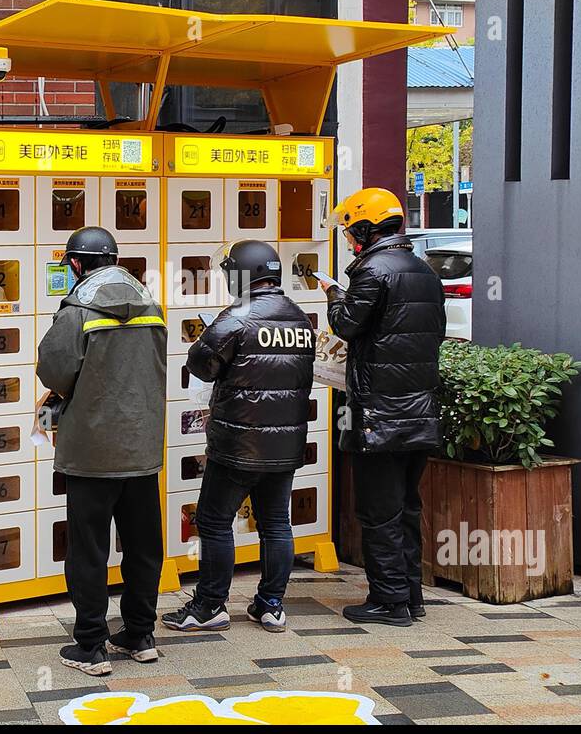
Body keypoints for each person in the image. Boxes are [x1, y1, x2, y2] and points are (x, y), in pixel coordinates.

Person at [162, 240, 315, 634]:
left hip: (237, 446)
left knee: (214, 521)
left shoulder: (237, 316)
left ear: (240, 275)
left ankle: (210, 606)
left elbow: (201, 364)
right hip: (285, 445)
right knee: (277, 524)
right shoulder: (299, 318)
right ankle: (271, 604)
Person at [36, 226, 167, 675]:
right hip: (142, 448)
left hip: (92, 452)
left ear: (76, 264)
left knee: (89, 550)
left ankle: (90, 645)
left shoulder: (77, 311)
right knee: (144, 546)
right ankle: (140, 635)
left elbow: (53, 371)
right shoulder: (151, 304)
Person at [320, 188, 445, 627]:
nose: (351, 239)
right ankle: (411, 596)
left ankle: (389, 602)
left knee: (378, 511)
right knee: (407, 508)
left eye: (352, 231)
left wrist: (333, 292)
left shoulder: (373, 270)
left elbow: (347, 325)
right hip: (421, 413)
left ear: (366, 229)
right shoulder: (425, 272)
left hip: (379, 417)